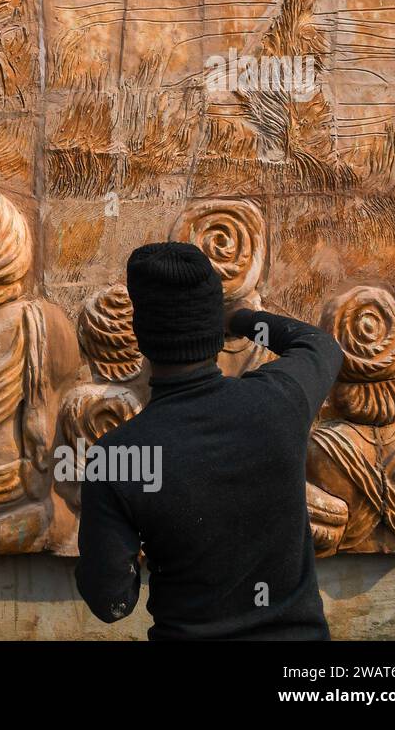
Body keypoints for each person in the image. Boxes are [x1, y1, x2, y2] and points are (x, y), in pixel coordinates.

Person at [75, 241, 343, 640]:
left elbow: (112, 603)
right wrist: (240, 318)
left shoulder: (119, 458)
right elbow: (320, 345)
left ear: (141, 337)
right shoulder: (280, 402)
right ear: (211, 327)